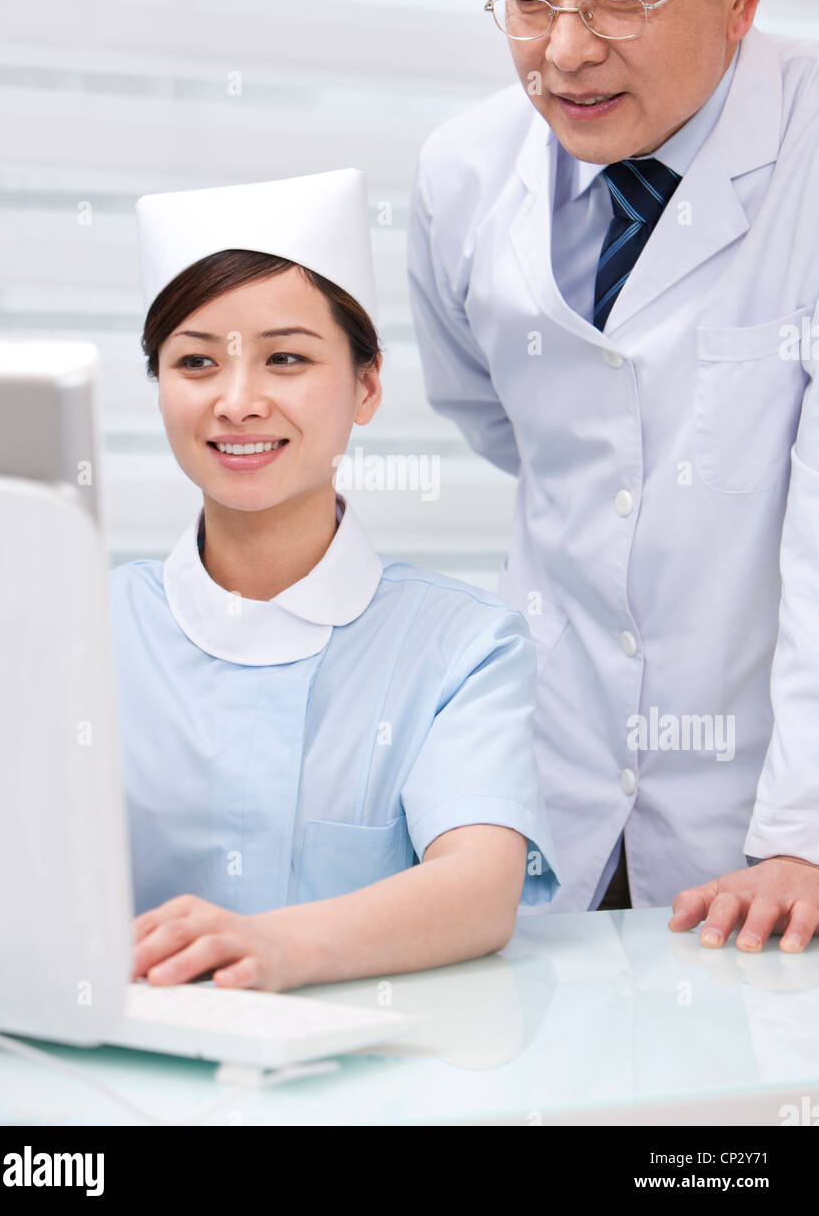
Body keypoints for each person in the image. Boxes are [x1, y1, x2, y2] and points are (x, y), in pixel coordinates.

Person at [407, 0, 819, 951]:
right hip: (554, 781)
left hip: (770, 818)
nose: (565, 50)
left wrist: (802, 833)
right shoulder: (463, 172)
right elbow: (498, 418)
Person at [113, 167, 558, 993]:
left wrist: (274, 947)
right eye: (196, 362)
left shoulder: (463, 646)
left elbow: (479, 889)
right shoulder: (86, 629)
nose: (238, 402)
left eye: (285, 358)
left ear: (367, 385)